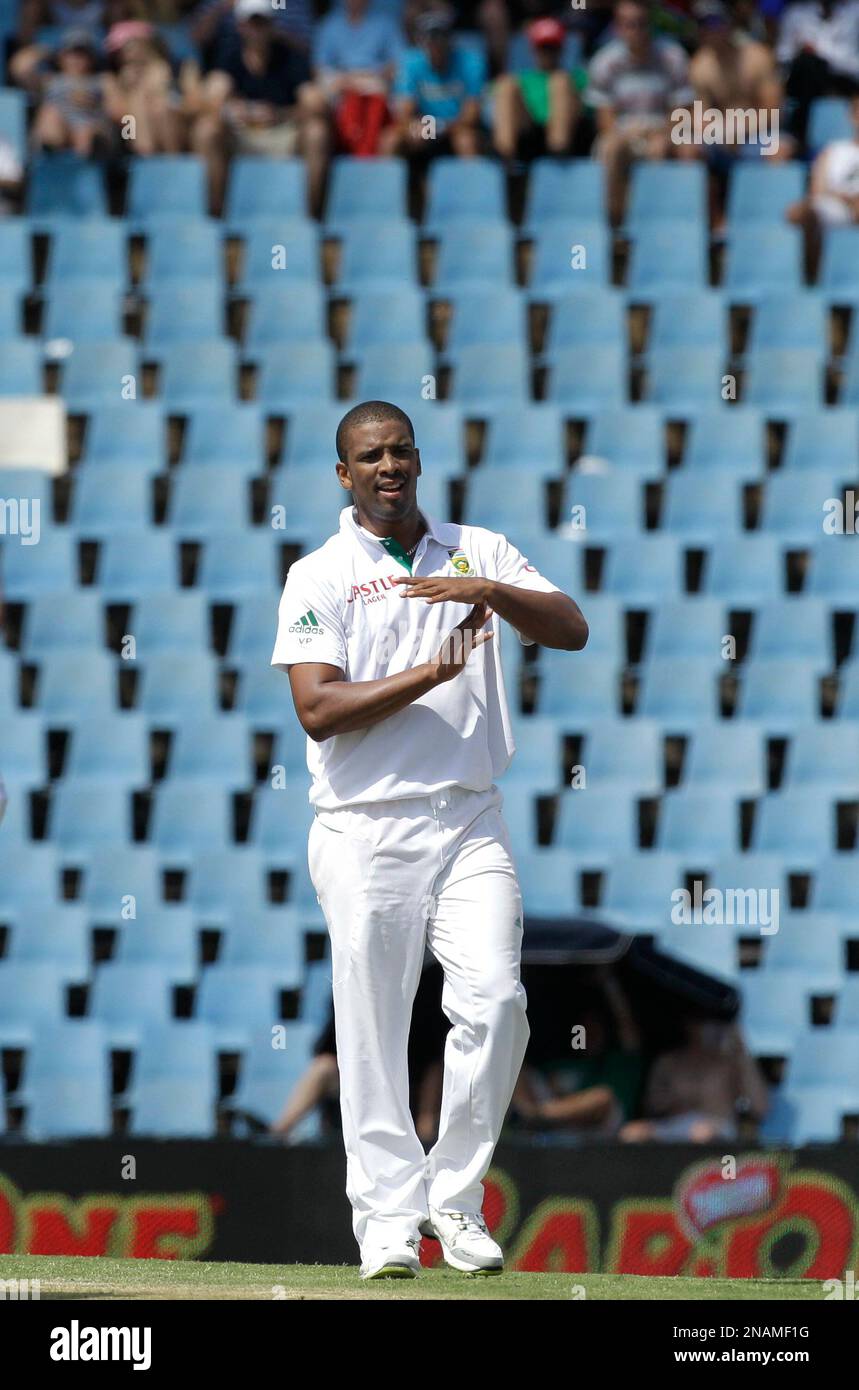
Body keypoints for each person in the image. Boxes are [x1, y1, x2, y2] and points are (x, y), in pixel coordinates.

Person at [270, 400, 588, 1280]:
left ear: (419, 458)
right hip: (364, 827)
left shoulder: (475, 549)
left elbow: (570, 627)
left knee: (496, 1003)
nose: (388, 467)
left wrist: (489, 591)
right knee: (370, 1030)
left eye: (401, 451)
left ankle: (455, 1202)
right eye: (369, 456)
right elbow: (316, 709)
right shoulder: (319, 573)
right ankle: (385, 1224)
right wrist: (426, 675)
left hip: (468, 814)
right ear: (344, 474)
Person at [190, 0, 326, 215]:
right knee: (206, 130)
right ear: (240, 26)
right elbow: (210, 99)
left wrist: (280, 114)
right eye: (250, 23)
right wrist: (233, 109)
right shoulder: (229, 56)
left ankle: (308, 217)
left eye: (261, 23)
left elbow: (316, 104)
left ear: (272, 25)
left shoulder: (291, 57)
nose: (256, 31)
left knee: (317, 132)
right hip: (242, 134)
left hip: (282, 133)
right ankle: (215, 219)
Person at [588, 0, 695, 224]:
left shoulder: (673, 57)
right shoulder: (604, 62)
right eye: (629, 24)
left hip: (662, 131)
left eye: (642, 23)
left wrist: (661, 134)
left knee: (660, 148)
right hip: (623, 133)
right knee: (611, 147)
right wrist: (629, 135)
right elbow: (605, 120)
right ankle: (615, 223)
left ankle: (653, 220)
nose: (636, 31)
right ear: (618, 27)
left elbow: (681, 115)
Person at [619, 1017, 770, 1142]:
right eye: (700, 1019)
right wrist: (674, 1101)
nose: (707, 1028)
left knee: (702, 1133)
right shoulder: (669, 1061)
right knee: (631, 1133)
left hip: (719, 1131)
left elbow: (760, 1108)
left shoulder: (729, 1062)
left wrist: (741, 1047)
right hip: (675, 1128)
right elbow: (653, 1104)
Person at [383, 7, 485, 159]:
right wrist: (419, 126)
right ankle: (392, 182)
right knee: (390, 140)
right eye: (430, 40)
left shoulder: (471, 62)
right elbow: (404, 112)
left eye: (440, 38)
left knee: (466, 141)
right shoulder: (410, 62)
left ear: (450, 40)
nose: (435, 45)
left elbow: (471, 115)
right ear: (421, 43)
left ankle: (471, 181)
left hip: (457, 129)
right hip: (424, 129)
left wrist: (438, 127)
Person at [310, 0, 403, 156]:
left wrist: (371, 76)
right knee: (315, 96)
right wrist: (346, 80)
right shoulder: (329, 24)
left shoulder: (386, 23)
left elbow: (398, 63)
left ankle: (367, 157)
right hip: (339, 84)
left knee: (383, 98)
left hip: (374, 81)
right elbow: (319, 68)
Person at [786, 91, 859, 275]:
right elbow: (817, 190)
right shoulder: (832, 151)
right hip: (837, 209)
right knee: (806, 212)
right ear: (851, 116)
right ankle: (812, 274)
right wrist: (845, 199)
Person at [492, 16, 580, 161]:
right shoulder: (521, 79)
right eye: (543, 47)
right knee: (505, 85)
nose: (547, 53)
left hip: (569, 136)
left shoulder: (576, 77)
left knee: (560, 81)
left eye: (552, 47)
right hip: (528, 132)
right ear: (533, 49)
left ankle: (558, 150)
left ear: (561, 49)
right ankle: (505, 158)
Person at [12, 28, 111, 156]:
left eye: (82, 54)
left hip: (90, 128)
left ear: (92, 57)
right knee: (50, 113)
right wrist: (47, 51)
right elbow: (20, 68)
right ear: (61, 56)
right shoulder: (49, 80)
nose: (76, 58)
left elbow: (122, 113)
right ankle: (50, 154)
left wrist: (94, 104)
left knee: (85, 132)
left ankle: (89, 157)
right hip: (57, 131)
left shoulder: (104, 80)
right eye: (71, 53)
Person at [777, 0, 859, 147]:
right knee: (807, 65)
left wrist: (819, 51)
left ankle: (797, 135)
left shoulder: (856, 11)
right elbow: (783, 56)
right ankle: (797, 137)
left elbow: (853, 63)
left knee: (811, 63)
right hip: (807, 78)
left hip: (847, 81)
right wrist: (802, 52)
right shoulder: (796, 13)